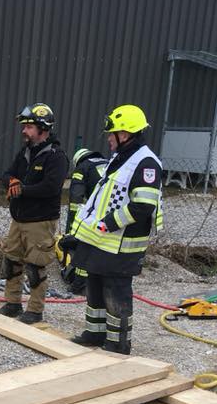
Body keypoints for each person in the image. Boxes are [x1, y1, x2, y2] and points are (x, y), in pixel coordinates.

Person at [68, 104, 163, 355]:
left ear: (127, 134)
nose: (109, 138)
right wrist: (77, 234)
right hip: (103, 240)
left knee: (116, 292)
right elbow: (100, 199)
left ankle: (118, 343)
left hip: (122, 243)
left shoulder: (146, 164)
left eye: (113, 133)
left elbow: (143, 205)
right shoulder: (121, 159)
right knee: (96, 286)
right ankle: (95, 333)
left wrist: (110, 223)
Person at [0, 102, 68, 324]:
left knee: (35, 265)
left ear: (42, 128)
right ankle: (12, 303)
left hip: (40, 220)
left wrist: (22, 190)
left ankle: (35, 310)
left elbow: (51, 187)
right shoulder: (25, 152)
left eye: (28, 127)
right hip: (18, 218)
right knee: (11, 260)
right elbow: (7, 173)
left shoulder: (56, 157)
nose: (24, 131)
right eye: (24, 126)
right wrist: (11, 182)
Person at [57, 147, 107, 294]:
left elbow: (76, 199)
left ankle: (79, 286)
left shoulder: (82, 168)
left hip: (96, 214)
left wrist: (73, 229)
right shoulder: (109, 163)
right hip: (112, 215)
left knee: (84, 246)